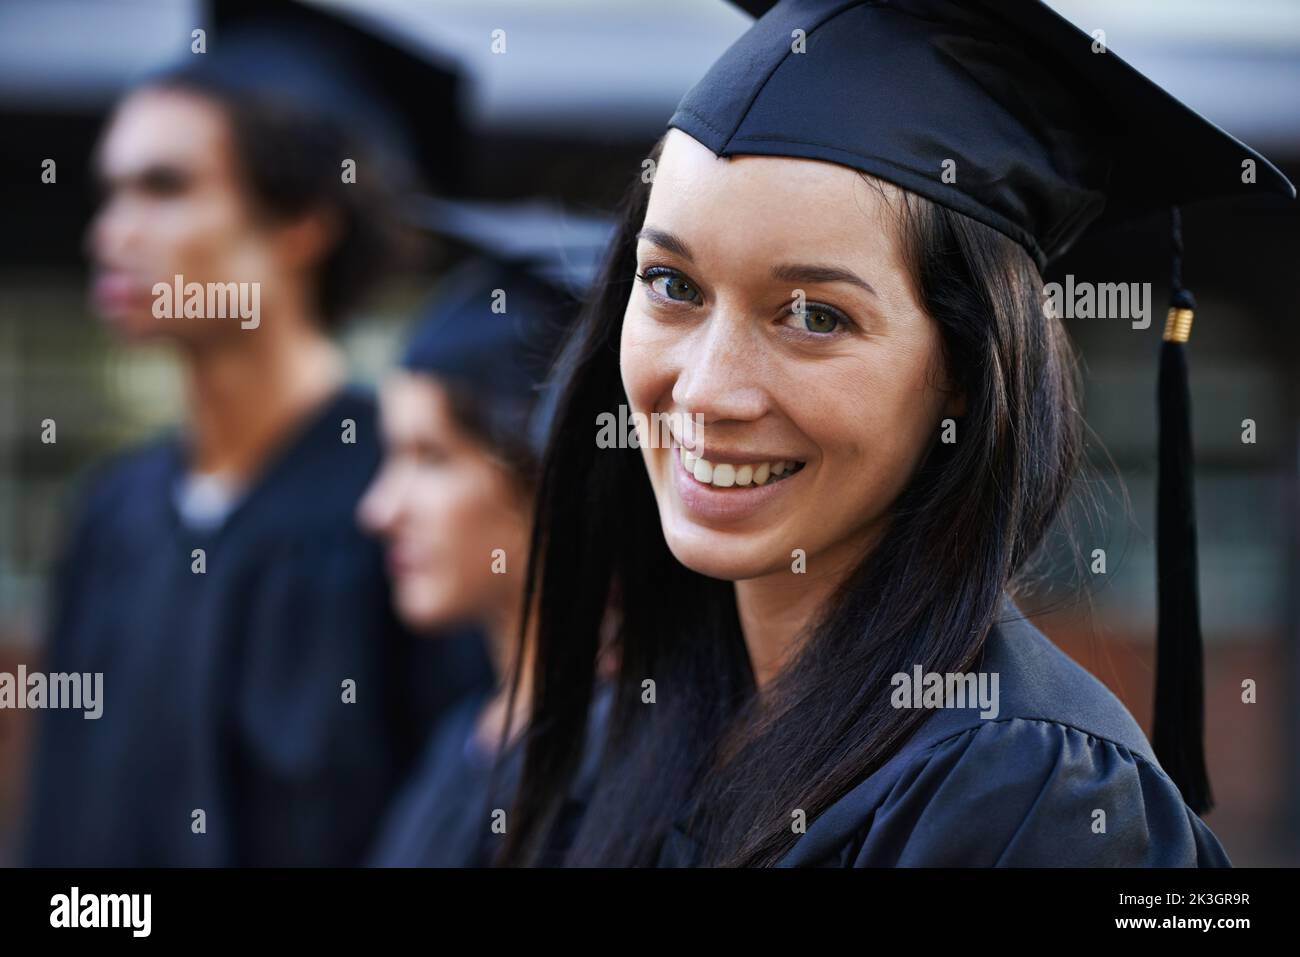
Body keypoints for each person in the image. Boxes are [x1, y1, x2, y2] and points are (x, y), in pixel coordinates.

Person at [496, 0, 1295, 867]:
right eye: (673, 285)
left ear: (964, 371)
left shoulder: (1030, 795)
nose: (707, 389)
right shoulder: (643, 725)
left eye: (812, 314)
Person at [23, 14, 492, 866]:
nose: (110, 237)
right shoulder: (113, 512)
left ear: (303, 220)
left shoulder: (407, 498)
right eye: (111, 192)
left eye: (164, 187)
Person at [358, 254, 610, 867]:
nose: (379, 510)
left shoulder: (630, 770)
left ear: (552, 473)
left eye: (433, 458)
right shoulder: (465, 742)